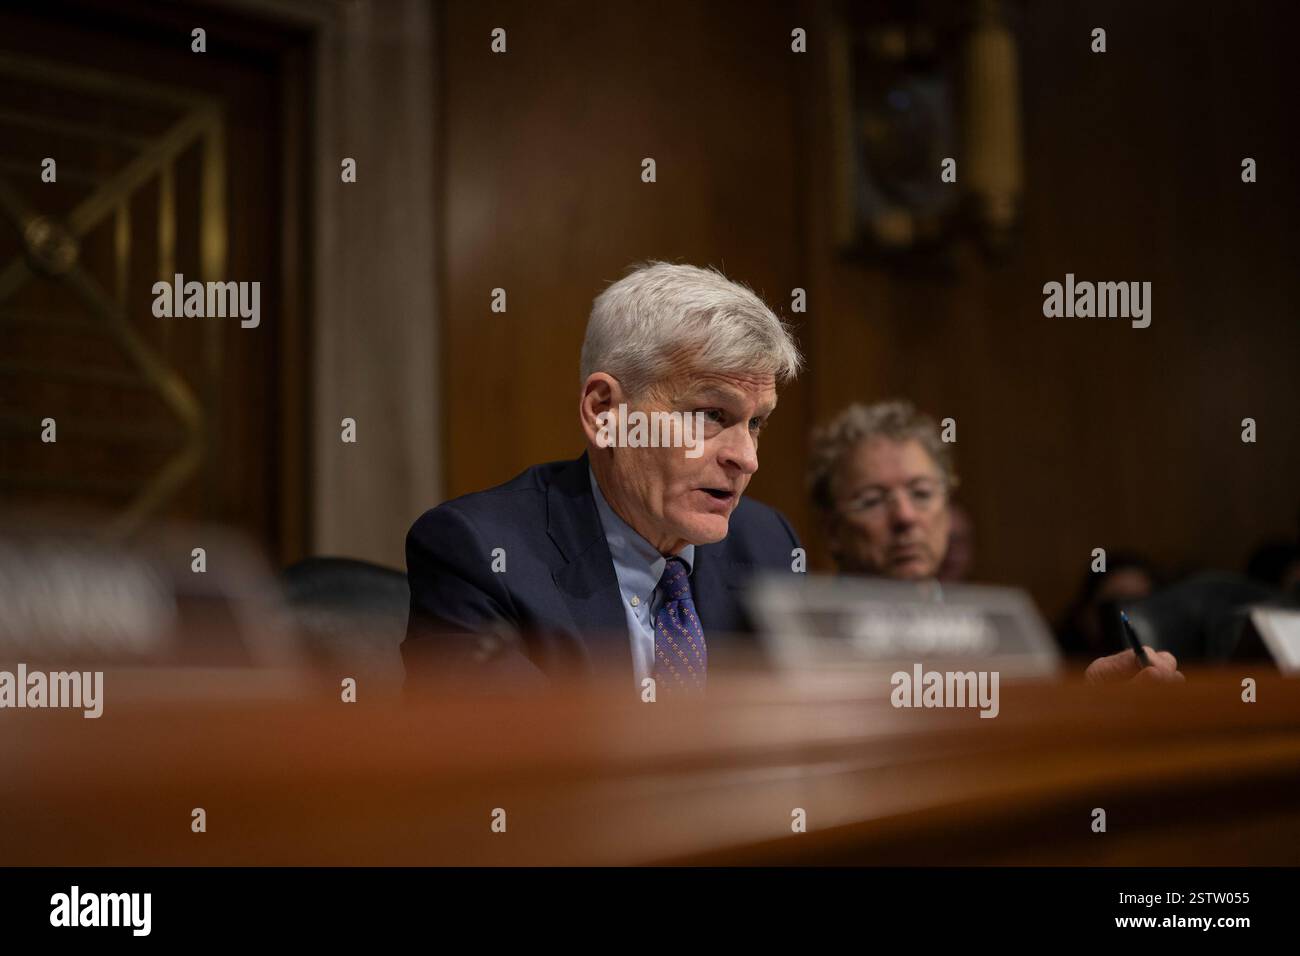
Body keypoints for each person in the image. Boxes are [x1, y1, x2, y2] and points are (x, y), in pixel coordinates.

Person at [403, 262, 803, 695]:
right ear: (604, 412)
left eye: (756, 422)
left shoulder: (769, 546)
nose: (746, 458)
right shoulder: (479, 553)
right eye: (711, 415)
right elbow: (499, 756)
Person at [808, 400, 1181, 684]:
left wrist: (1093, 701)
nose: (905, 517)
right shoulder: (803, 638)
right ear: (832, 531)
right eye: (872, 500)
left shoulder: (998, 633)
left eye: (921, 493)